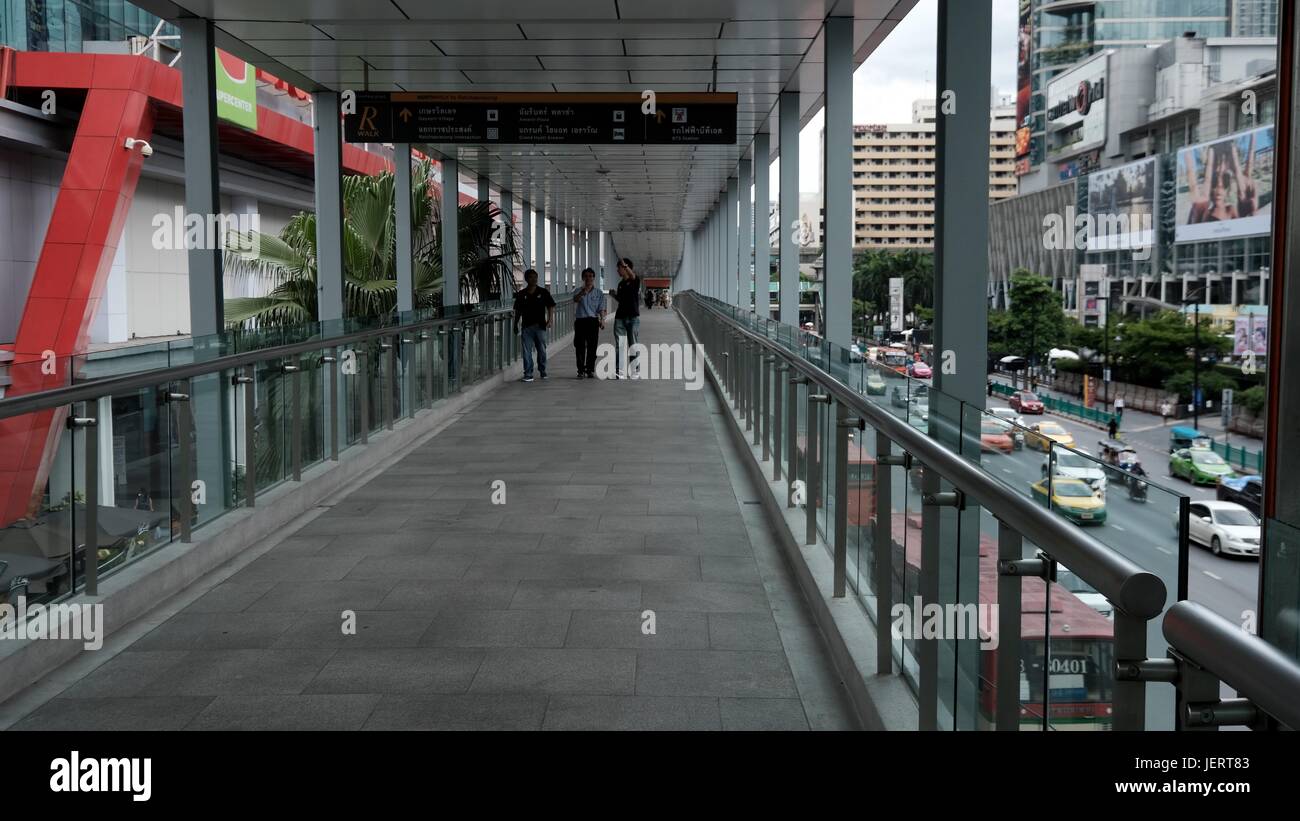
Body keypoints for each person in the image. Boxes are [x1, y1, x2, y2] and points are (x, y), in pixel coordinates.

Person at [513, 268, 554, 382]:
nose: (534, 279)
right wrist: (515, 324)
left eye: (535, 277)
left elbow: (550, 305)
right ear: (526, 279)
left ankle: (542, 370)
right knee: (526, 351)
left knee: (541, 349)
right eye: (531, 277)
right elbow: (518, 311)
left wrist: (550, 320)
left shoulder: (543, 292)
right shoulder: (521, 294)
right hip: (526, 326)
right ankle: (528, 374)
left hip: (540, 326)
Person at [572, 267, 606, 379]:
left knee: (592, 347)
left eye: (590, 276)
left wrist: (602, 320)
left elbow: (601, 308)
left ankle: (590, 369)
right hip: (581, 321)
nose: (588, 278)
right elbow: (575, 299)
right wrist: (583, 292)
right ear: (583, 278)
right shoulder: (578, 290)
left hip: (593, 321)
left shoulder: (599, 293)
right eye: (586, 276)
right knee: (580, 346)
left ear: (594, 278)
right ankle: (580, 370)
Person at [611, 258, 641, 379]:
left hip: (633, 317)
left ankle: (635, 371)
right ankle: (620, 371)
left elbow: (633, 276)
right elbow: (621, 300)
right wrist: (614, 296)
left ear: (625, 268)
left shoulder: (635, 281)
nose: (617, 270)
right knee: (620, 345)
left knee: (633, 344)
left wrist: (625, 265)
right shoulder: (620, 284)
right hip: (620, 317)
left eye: (619, 268)